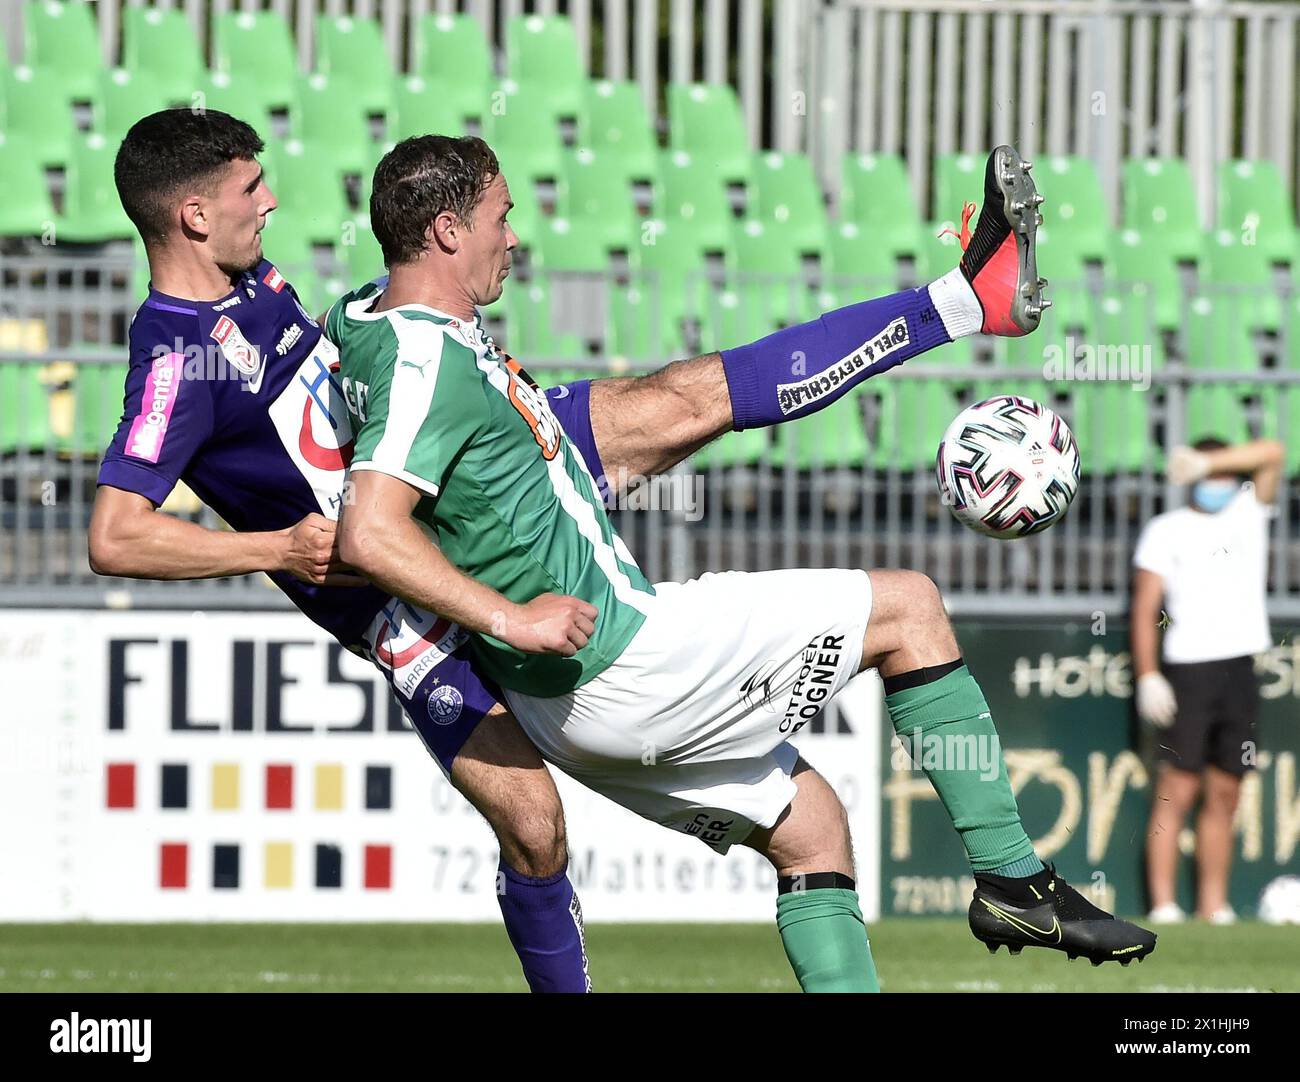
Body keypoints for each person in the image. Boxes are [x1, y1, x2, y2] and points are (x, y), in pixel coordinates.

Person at [88, 109, 1045, 992]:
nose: (274, 202)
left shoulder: (255, 280)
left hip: (464, 476)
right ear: (195, 214)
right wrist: (278, 547)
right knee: (536, 827)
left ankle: (964, 300)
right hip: (408, 605)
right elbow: (116, 534)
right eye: (253, 189)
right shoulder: (172, 356)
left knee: (687, 395)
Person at [332, 132, 1157, 992]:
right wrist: (510, 616)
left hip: (563, 708)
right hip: (621, 661)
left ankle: (957, 302)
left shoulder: (363, 317)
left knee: (813, 829)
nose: (515, 237)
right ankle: (1015, 881)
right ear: (445, 230)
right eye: (501, 218)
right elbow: (370, 532)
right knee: (908, 608)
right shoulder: (427, 359)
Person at [1132, 435, 1284, 925]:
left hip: (1238, 667)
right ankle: (1163, 904)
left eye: (1221, 470)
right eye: (1204, 470)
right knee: (1178, 786)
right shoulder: (1166, 529)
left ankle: (1213, 906)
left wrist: (1211, 460)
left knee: (1226, 790)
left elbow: (1274, 452)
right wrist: (1148, 674)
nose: (1214, 480)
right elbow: (1144, 606)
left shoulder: (1248, 514)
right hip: (1187, 669)